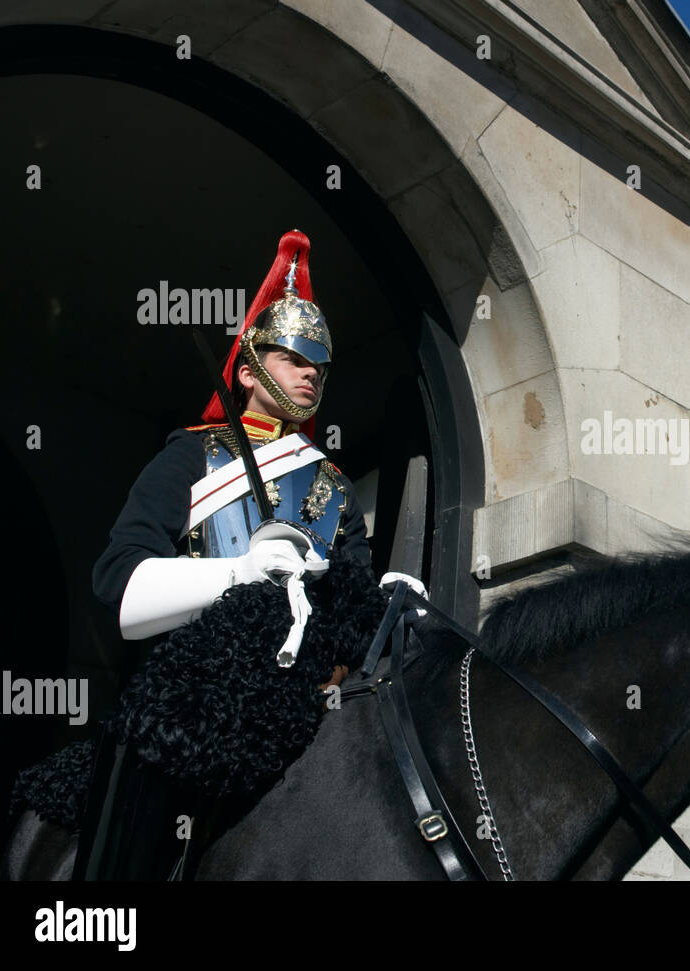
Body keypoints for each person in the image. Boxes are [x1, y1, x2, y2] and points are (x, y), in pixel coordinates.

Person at [76, 229, 422, 879]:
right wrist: (236, 572)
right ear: (247, 368)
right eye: (294, 356)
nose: (311, 371)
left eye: (319, 362)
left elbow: (351, 605)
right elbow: (119, 585)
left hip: (308, 705)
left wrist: (393, 609)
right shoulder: (191, 454)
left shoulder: (334, 487)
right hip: (196, 696)